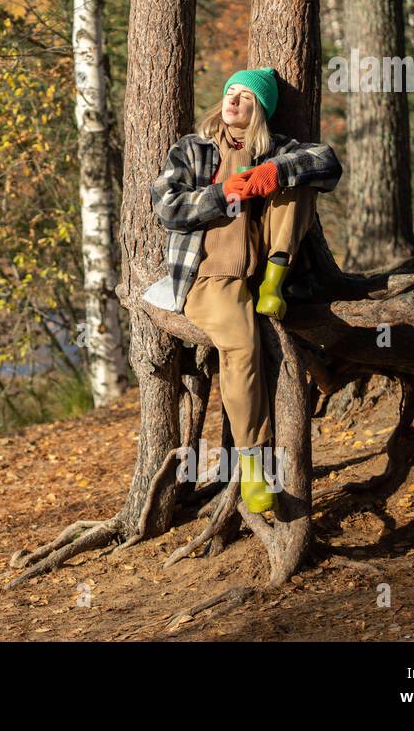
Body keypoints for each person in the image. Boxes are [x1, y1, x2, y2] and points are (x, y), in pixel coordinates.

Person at [143, 67, 342, 513]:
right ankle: (252, 461)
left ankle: (276, 280)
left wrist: (271, 171)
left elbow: (327, 162)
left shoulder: (272, 148)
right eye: (230, 93)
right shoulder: (193, 150)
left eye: (246, 98)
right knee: (241, 347)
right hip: (209, 277)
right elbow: (166, 206)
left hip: (262, 271)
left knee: (296, 180)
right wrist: (221, 193)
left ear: (259, 111)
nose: (233, 102)